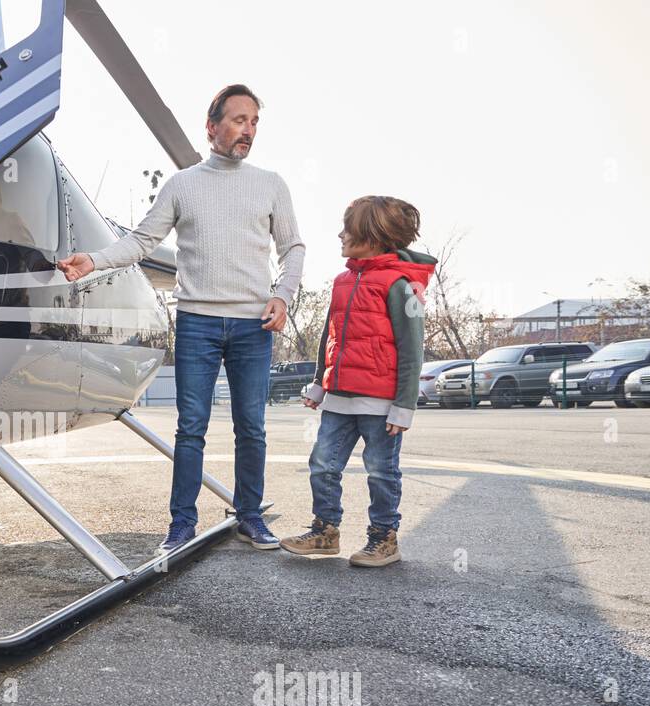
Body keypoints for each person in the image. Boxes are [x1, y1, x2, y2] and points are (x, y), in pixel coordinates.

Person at [56, 84, 305, 553]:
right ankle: (181, 524)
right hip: (198, 324)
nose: (247, 130)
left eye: (253, 122)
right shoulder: (182, 184)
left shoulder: (271, 184)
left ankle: (250, 515)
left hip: (254, 326)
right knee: (192, 426)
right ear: (211, 127)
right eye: (238, 120)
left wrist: (283, 295)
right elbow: (141, 240)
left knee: (251, 426)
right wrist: (94, 259)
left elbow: (293, 247)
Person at [279, 196, 437, 567]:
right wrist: (320, 383)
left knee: (381, 471)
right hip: (338, 400)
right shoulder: (341, 281)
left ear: (373, 234)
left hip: (382, 404)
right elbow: (329, 336)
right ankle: (324, 531)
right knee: (322, 463)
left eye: (348, 228)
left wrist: (405, 404)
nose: (340, 234)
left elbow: (412, 348)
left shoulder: (401, 285)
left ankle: (384, 538)